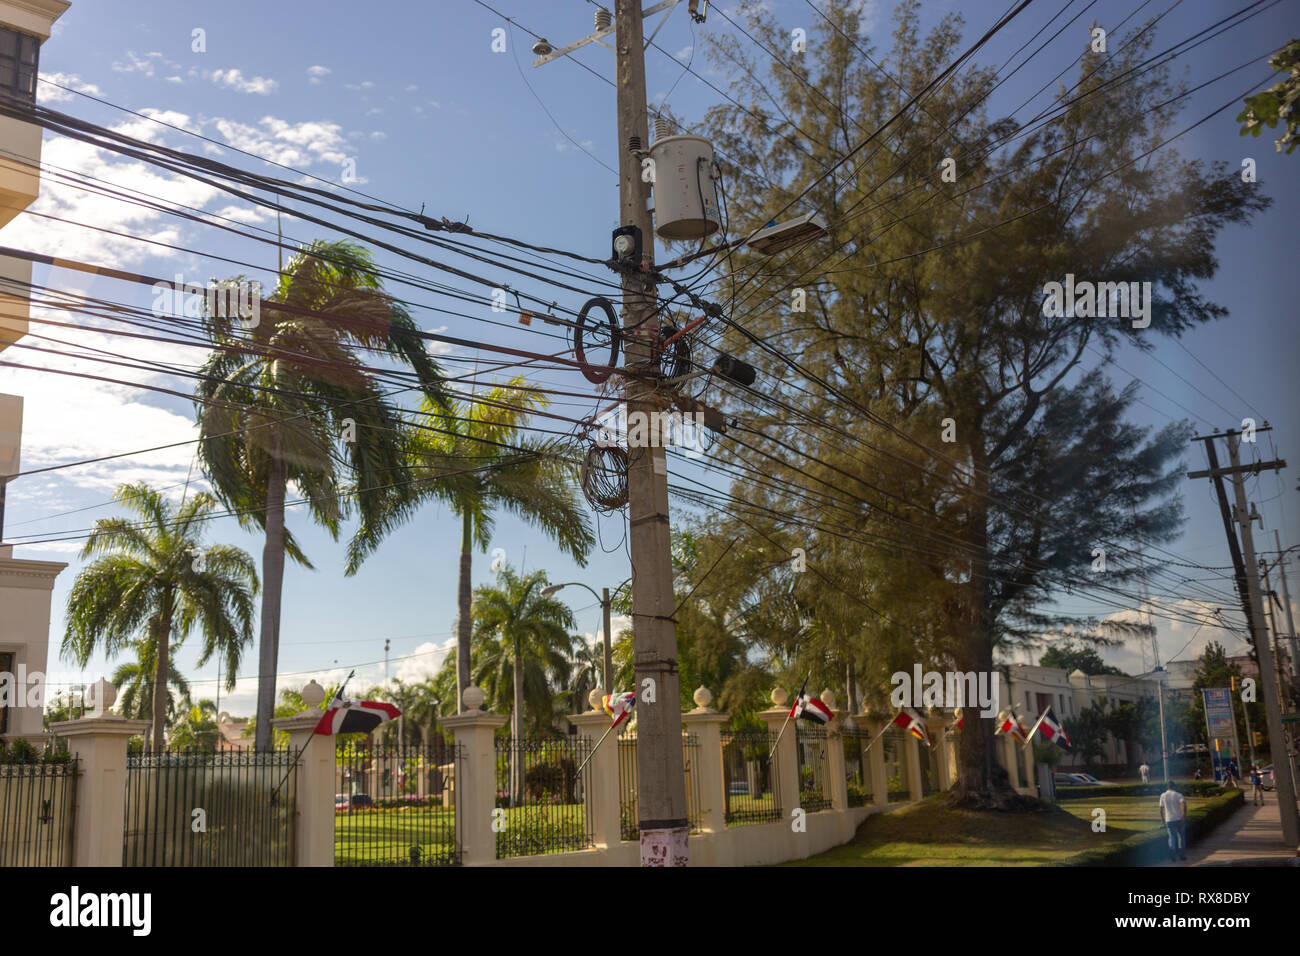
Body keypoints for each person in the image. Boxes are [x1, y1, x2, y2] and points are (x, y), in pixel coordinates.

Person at [1159, 782, 1188, 862]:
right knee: (1181, 838)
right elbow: (1184, 804)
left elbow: (1161, 809)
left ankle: (1172, 856)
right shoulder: (1178, 794)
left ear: (1167, 787)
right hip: (1179, 818)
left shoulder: (1163, 795)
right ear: (1174, 787)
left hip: (1169, 819)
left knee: (1172, 838)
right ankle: (1182, 855)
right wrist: (1184, 816)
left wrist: (1162, 819)